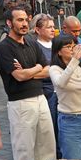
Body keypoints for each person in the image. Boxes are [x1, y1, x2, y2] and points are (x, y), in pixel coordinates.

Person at [0, 6, 56, 160]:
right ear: (9, 23)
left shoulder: (31, 42)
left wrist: (29, 71)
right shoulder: (3, 47)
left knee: (48, 148)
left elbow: (48, 70)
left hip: (41, 99)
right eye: (19, 20)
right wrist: (36, 68)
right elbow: (18, 76)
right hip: (20, 103)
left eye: (26, 19)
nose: (24, 23)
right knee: (24, 152)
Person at [32, 14, 58, 149]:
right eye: (49, 27)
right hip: (47, 91)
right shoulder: (34, 47)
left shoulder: (57, 44)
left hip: (61, 88)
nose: (53, 30)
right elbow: (36, 73)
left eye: (53, 27)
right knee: (50, 124)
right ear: (37, 30)